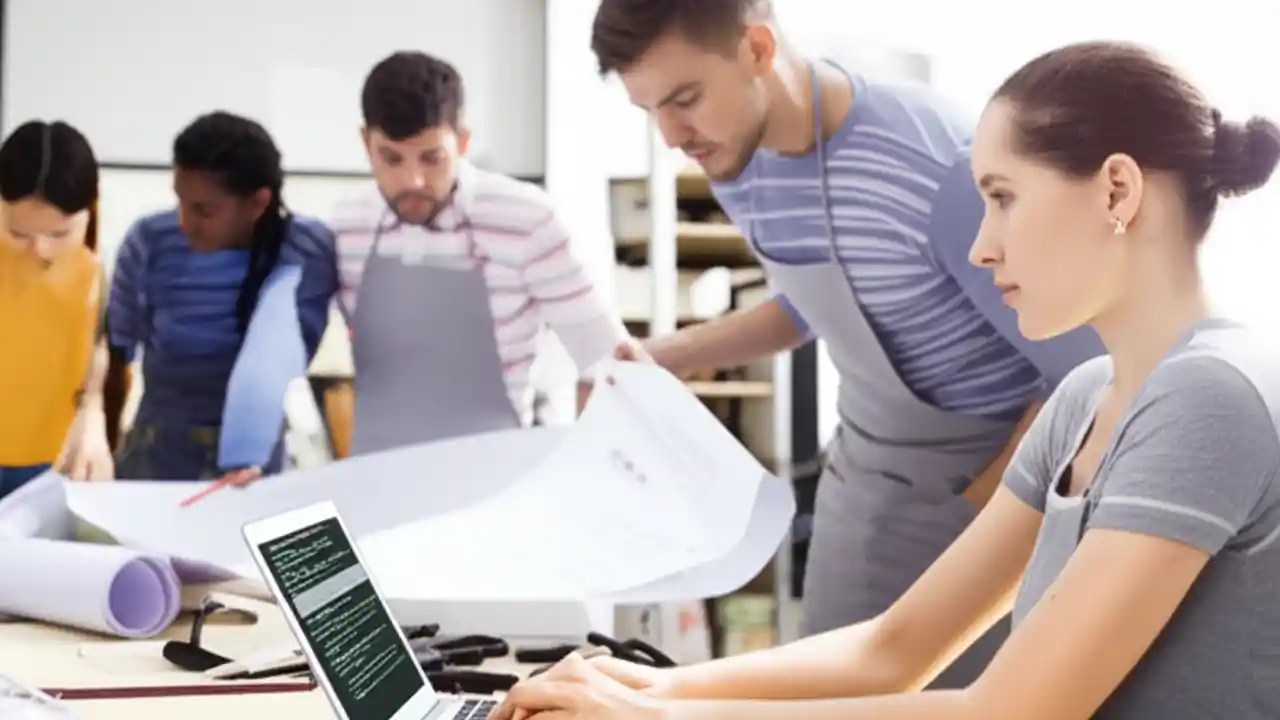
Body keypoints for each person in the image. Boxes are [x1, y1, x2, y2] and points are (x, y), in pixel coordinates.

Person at [491, 40, 1280, 719]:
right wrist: (654, 687)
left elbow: (1010, 710)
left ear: (1117, 190)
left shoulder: (1208, 396)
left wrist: (656, 715)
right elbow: (892, 648)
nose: (980, 246)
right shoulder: (1084, 401)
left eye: (1002, 199)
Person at [591, 0, 1104, 681]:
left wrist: (983, 507)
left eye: (685, 98)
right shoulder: (740, 164)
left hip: (985, 489)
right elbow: (812, 303)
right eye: (649, 109)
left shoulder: (940, 169)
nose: (672, 136)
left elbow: (1086, 373)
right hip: (860, 486)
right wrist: (664, 356)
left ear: (758, 50)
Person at [328, 52, 629, 455]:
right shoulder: (344, 228)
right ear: (366, 143)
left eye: (432, 158)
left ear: (463, 142)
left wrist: (589, 465)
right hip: (373, 481)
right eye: (391, 159)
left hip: (495, 479)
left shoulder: (528, 221)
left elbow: (605, 359)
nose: (412, 180)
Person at [62, 111, 338, 482]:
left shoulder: (302, 247)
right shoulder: (149, 241)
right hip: (157, 455)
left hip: (256, 462)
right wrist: (99, 445)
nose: (184, 222)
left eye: (204, 210)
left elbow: (282, 351)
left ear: (257, 204)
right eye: (180, 202)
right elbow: (116, 356)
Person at [0, 120, 103, 498]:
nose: (39, 249)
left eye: (59, 234)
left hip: (55, 464)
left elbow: (103, 369)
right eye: (19, 233)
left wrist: (93, 416)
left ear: (90, 210)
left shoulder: (102, 273)